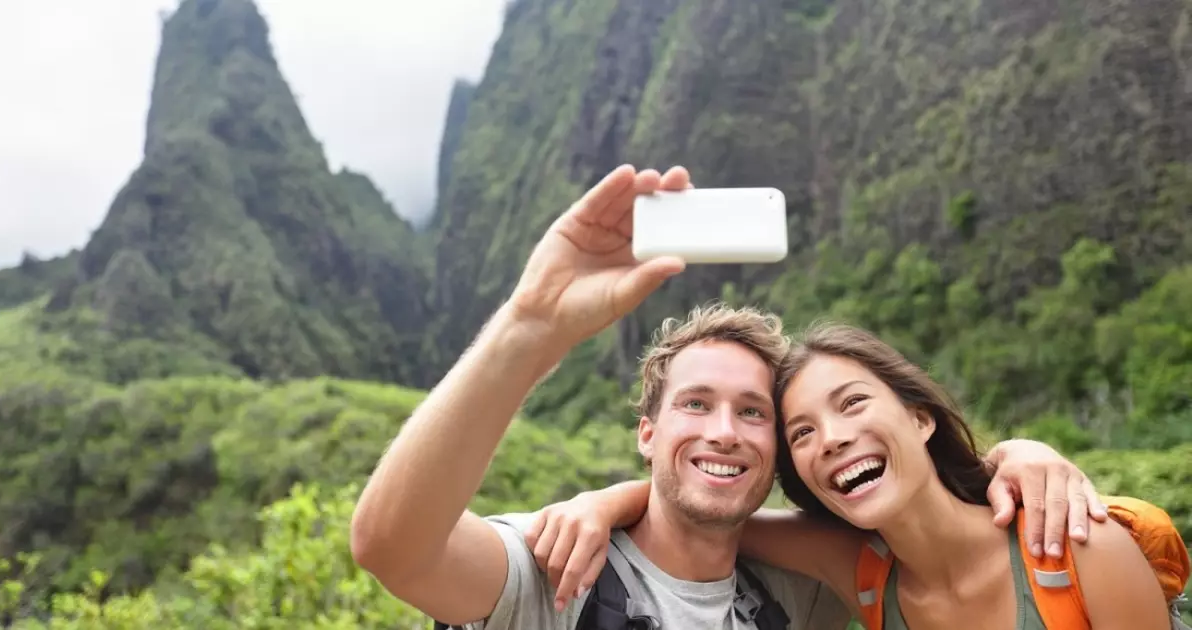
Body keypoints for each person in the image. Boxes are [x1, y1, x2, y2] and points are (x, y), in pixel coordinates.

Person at [349, 164, 1107, 630]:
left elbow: (938, 522)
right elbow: (392, 547)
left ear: (782, 453)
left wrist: (1016, 458)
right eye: (694, 404)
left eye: (755, 414)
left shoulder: (810, 588)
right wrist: (531, 327)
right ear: (647, 432)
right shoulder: (558, 568)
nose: (725, 431)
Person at [527, 322, 1183, 629]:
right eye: (802, 433)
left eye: (853, 404)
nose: (833, 439)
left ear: (921, 419)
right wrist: (604, 502)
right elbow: (707, 504)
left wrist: (1019, 449)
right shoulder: (861, 570)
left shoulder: (1069, 547)